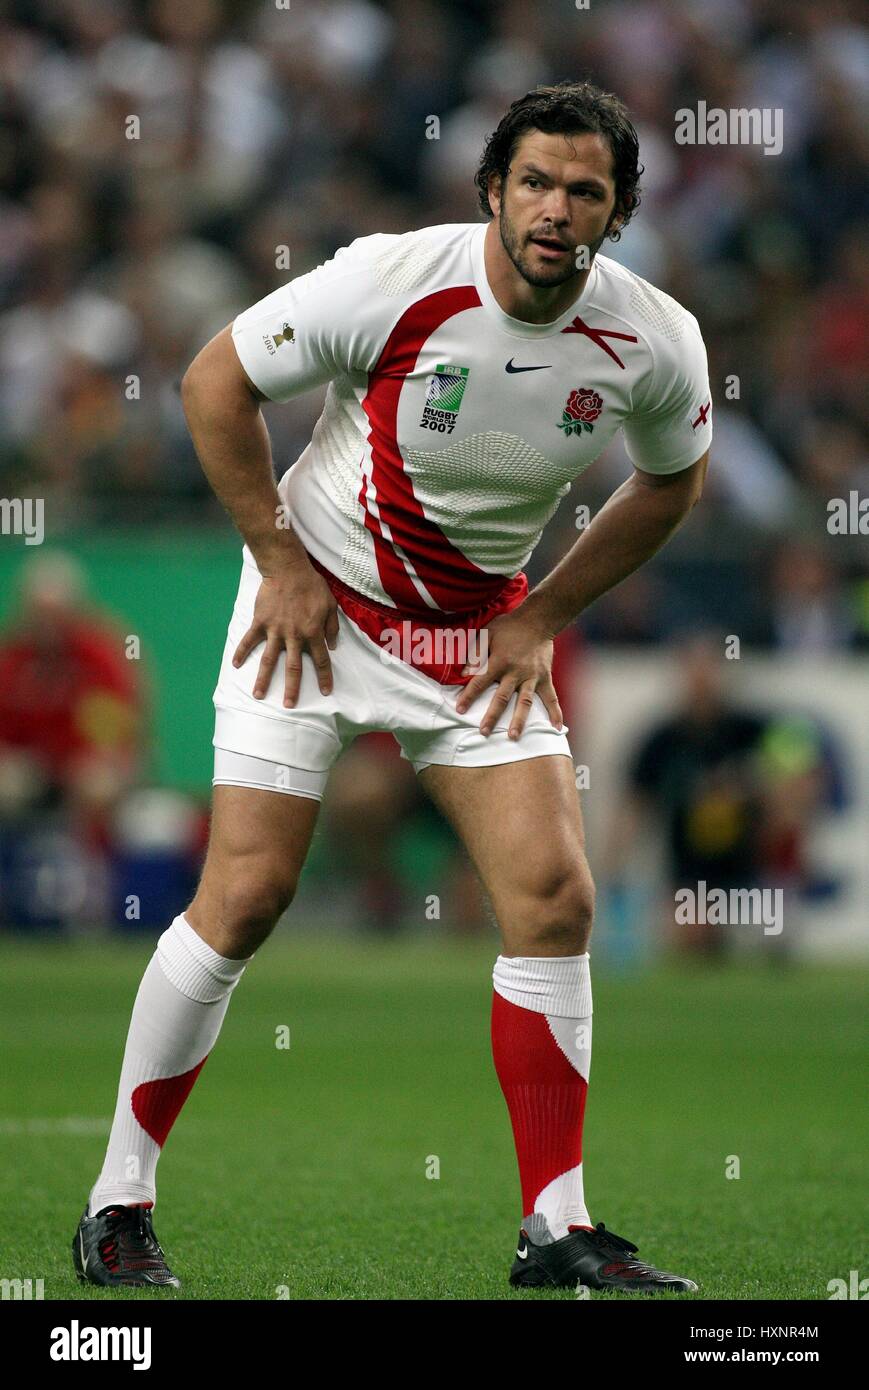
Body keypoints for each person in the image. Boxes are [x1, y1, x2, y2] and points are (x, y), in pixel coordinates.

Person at [74, 81, 712, 1294]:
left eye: (586, 192)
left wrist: (545, 614)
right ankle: (117, 1202)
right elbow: (215, 381)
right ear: (491, 189)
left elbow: (671, 481)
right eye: (535, 183)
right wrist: (275, 557)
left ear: (618, 213)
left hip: (474, 641)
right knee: (249, 893)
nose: (556, 210)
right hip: (312, 614)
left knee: (553, 898)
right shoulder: (389, 277)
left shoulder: (654, 338)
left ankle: (554, 1229)